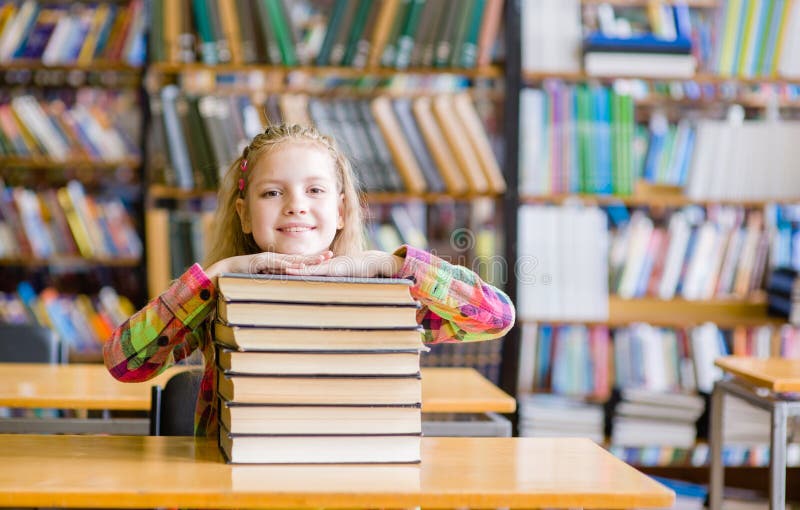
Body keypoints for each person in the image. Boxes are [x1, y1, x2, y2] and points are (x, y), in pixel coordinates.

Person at [104, 124, 515, 437]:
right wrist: (218, 272)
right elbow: (125, 362)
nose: (296, 206)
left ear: (340, 211)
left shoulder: (389, 299)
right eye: (272, 194)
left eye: (314, 190)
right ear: (244, 215)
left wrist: (390, 265)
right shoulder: (218, 298)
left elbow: (495, 316)